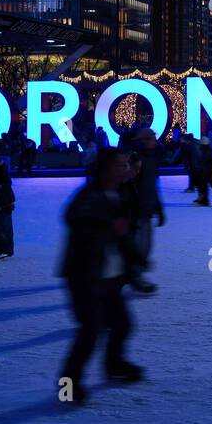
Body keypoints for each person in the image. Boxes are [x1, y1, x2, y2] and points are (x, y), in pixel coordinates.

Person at [58, 148, 145, 406]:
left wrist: (135, 257)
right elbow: (74, 218)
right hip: (86, 275)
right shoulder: (90, 194)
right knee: (90, 331)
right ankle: (68, 383)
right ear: (106, 168)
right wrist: (108, 226)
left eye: (127, 163)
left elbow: (123, 232)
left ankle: (114, 365)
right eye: (121, 164)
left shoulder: (120, 193)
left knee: (122, 324)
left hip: (110, 276)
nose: (126, 169)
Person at [127, 128, 166, 292]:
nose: (155, 140)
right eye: (152, 138)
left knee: (144, 244)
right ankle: (135, 276)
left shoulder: (150, 158)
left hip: (146, 209)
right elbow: (127, 185)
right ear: (144, 140)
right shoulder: (135, 158)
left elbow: (152, 185)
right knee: (139, 245)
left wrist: (159, 208)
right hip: (135, 210)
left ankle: (133, 273)